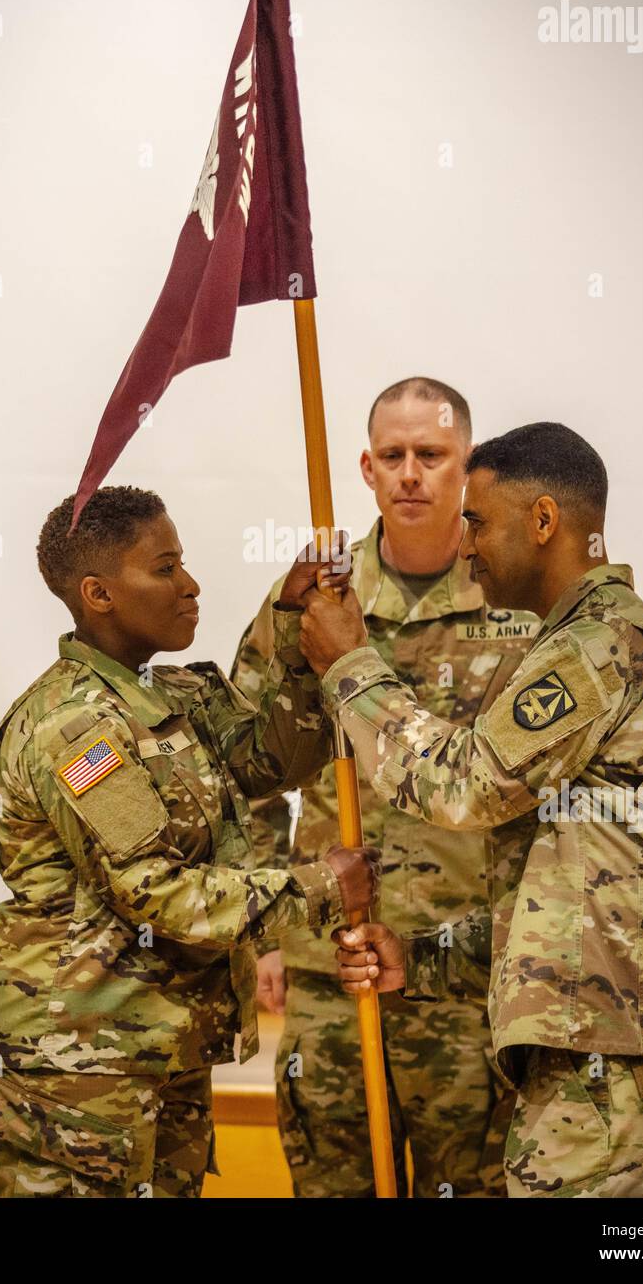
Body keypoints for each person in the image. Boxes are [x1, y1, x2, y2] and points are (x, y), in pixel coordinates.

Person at [301, 422, 643, 1198]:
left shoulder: (598, 645)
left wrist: (352, 665)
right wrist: (421, 960)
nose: (467, 545)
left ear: (544, 522)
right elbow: (578, 899)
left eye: (478, 522)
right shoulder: (597, 642)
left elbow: (463, 785)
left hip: (627, 1068)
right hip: (638, 1051)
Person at [0, 485, 378, 1198]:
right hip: (73, 1058)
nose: (191, 586)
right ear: (98, 593)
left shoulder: (172, 695)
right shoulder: (77, 728)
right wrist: (320, 888)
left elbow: (273, 762)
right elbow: (154, 891)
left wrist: (296, 637)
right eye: (165, 568)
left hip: (154, 1045)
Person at [232, 378, 538, 1197]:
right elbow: (241, 763)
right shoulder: (313, 596)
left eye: (431, 456)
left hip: (466, 969)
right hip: (334, 961)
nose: (411, 474)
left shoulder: (513, 602)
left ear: (466, 467)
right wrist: (261, 924)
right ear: (365, 469)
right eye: (393, 456)